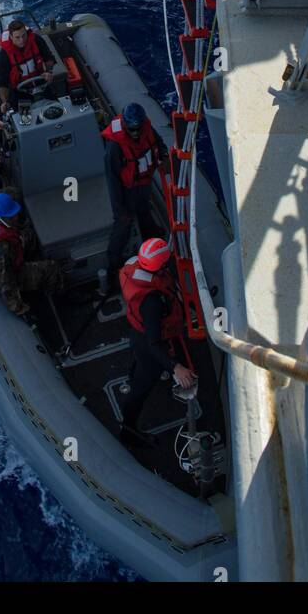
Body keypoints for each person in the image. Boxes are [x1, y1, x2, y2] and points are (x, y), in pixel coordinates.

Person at [118, 238, 196, 449]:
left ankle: (132, 374)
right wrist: (176, 367)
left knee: (136, 358)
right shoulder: (152, 301)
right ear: (160, 266)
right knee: (141, 387)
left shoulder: (135, 265)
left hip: (137, 331)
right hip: (148, 343)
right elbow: (154, 344)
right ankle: (128, 429)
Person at [102, 102, 169, 277]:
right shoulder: (115, 146)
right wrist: (119, 208)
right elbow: (112, 180)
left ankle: (153, 242)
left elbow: (158, 142)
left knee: (145, 212)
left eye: (138, 128)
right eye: (132, 130)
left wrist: (163, 156)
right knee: (123, 225)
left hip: (143, 184)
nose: (136, 133)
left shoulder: (146, 128)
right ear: (125, 126)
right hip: (127, 190)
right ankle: (113, 264)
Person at [0, 193, 65, 317]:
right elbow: (4, 283)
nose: (16, 217)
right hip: (0, 276)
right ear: (2, 218)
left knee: (30, 236)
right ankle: (58, 300)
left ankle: (34, 265)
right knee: (51, 268)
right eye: (12, 216)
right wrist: (18, 307)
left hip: (11, 255)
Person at [0, 19, 56, 112]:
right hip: (20, 92)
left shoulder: (37, 40)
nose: (22, 40)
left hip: (41, 85)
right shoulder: (4, 55)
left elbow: (49, 58)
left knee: (55, 109)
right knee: (25, 120)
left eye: (24, 35)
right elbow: (2, 83)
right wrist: (4, 102)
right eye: (17, 37)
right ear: (11, 37)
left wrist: (49, 72)